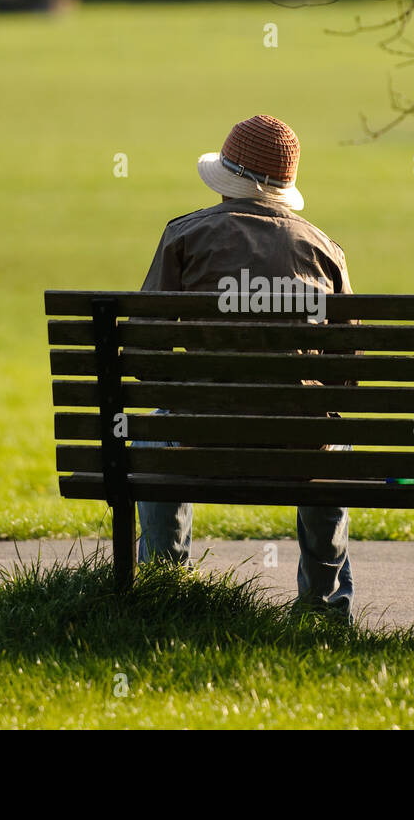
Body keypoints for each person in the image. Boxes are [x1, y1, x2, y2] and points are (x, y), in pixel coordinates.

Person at [135, 114, 355, 618]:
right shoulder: (324, 250)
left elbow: (147, 353)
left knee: (154, 427)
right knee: (334, 434)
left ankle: (164, 591)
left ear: (226, 182)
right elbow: (347, 377)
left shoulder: (184, 236)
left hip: (198, 434)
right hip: (300, 442)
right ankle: (322, 606)